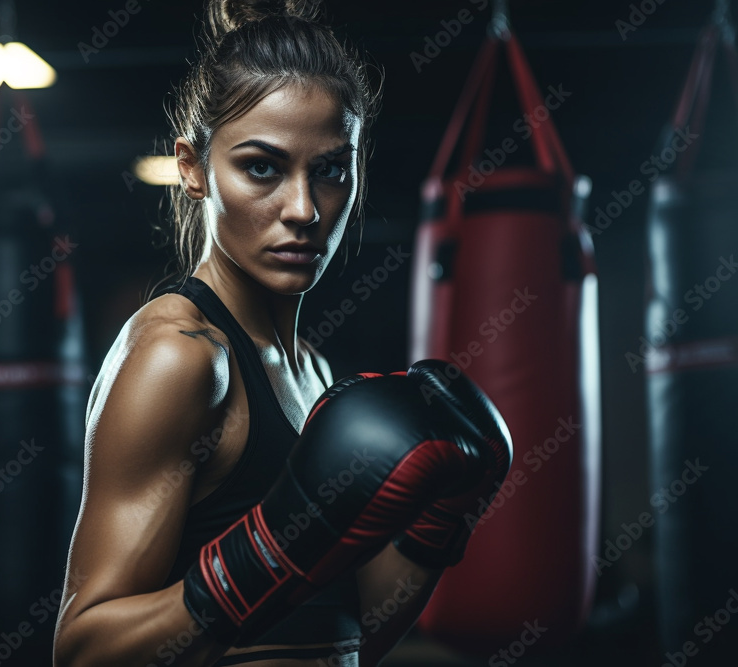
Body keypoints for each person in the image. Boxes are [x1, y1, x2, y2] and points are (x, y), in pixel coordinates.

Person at [52, 2, 511, 666]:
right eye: (262, 167)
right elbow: (84, 651)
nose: (303, 209)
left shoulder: (317, 376)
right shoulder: (179, 359)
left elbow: (346, 637)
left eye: (329, 170)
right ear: (192, 167)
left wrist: (435, 527)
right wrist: (270, 551)